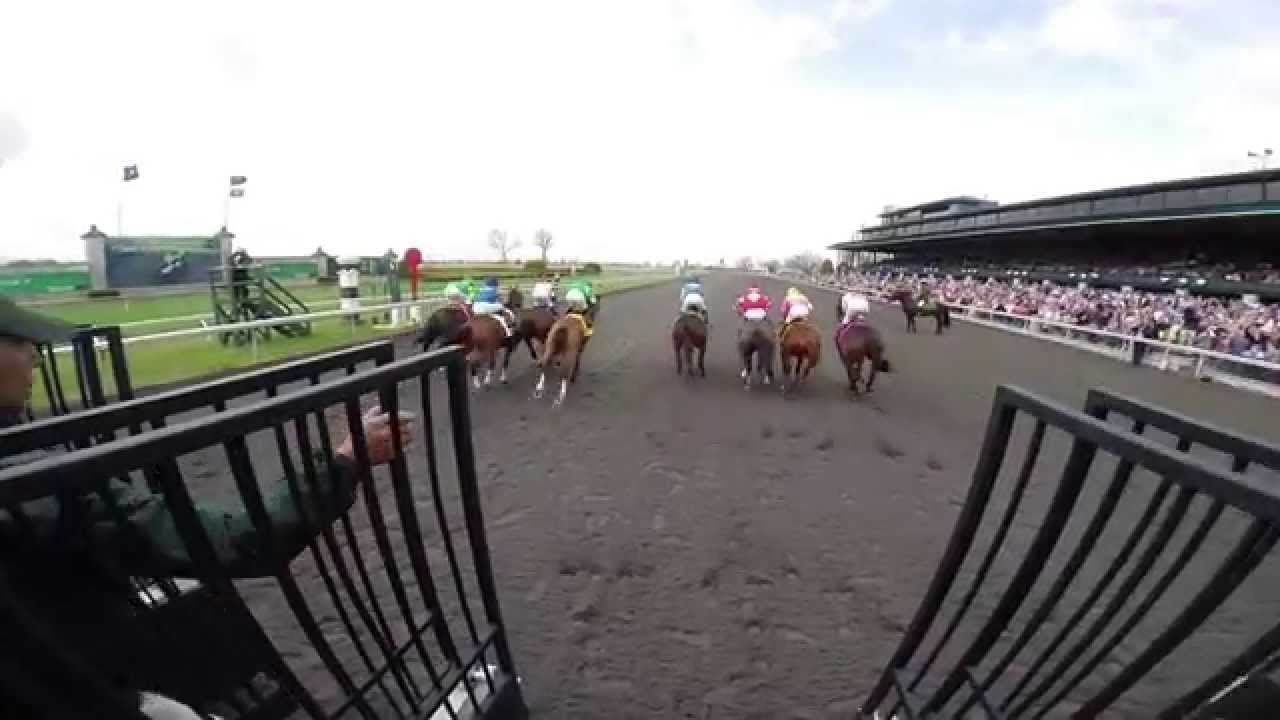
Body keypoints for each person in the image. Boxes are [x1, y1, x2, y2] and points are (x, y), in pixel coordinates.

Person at [0, 295, 415, 718]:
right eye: (17, 342)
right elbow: (229, 538)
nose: (33, 354)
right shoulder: (40, 487)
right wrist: (345, 462)